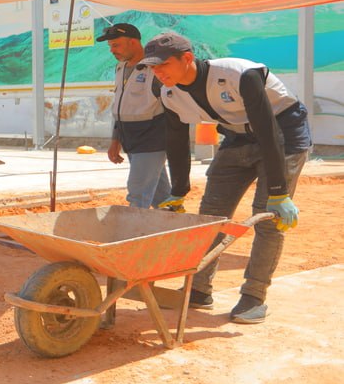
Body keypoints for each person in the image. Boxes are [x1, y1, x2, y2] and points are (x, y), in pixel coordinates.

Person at [141, 32, 311, 324]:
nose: (157, 72)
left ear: (187, 59)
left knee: (267, 220)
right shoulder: (166, 91)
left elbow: (268, 130)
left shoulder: (239, 74)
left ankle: (254, 296)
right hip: (236, 137)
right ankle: (198, 289)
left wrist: (279, 192)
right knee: (210, 218)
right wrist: (178, 190)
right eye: (152, 67)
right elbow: (177, 140)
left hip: (282, 134)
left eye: (163, 64)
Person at [97, 22, 172, 209]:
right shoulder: (120, 68)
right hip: (131, 139)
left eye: (116, 45)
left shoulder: (155, 68)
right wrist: (116, 140)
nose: (112, 50)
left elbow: (172, 106)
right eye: (110, 46)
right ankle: (178, 229)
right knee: (161, 197)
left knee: (137, 194)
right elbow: (120, 106)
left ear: (133, 42)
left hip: (152, 139)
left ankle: (133, 234)